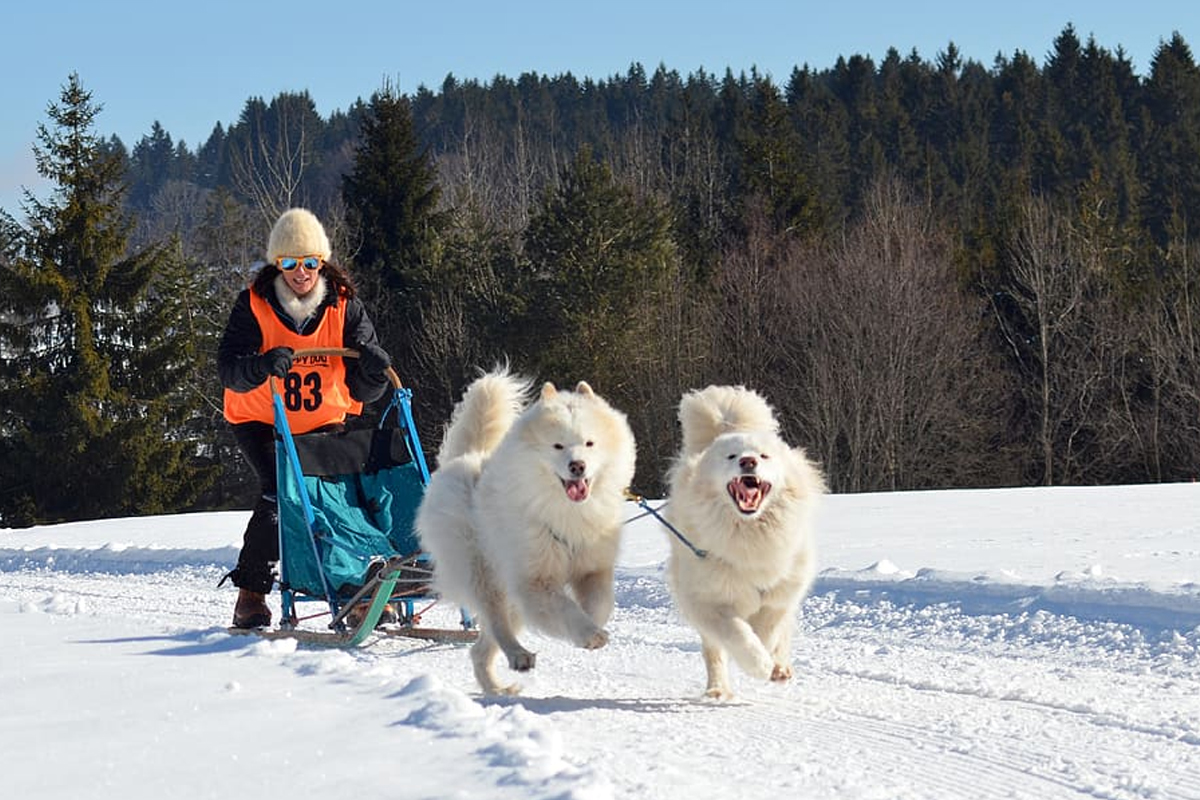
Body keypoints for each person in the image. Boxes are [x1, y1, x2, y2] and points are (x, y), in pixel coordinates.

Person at [218, 207, 392, 629]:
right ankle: (251, 593)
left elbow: (364, 387)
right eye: (291, 263)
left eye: (310, 262)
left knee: (334, 496)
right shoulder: (254, 304)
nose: (302, 272)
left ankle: (354, 586)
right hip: (262, 418)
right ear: (278, 264)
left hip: (321, 419)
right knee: (280, 492)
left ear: (323, 262)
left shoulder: (344, 306)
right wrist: (260, 366)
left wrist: (372, 373)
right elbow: (229, 368)